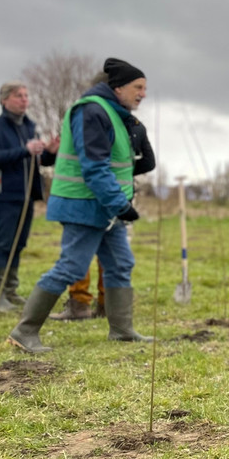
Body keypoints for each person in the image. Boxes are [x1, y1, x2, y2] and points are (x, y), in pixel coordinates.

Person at [7, 59, 152, 352]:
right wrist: (120, 204)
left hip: (106, 206)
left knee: (121, 264)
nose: (143, 94)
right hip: (83, 204)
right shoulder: (92, 111)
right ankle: (25, 332)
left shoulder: (115, 114)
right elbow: (95, 168)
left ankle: (122, 330)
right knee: (72, 267)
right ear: (118, 87)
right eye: (138, 87)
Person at [51, 116, 154, 321]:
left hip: (86, 196)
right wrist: (122, 171)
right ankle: (107, 304)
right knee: (113, 255)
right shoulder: (135, 125)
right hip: (122, 196)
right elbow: (148, 162)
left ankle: (79, 303)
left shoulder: (87, 121)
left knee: (81, 251)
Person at [0, 82, 58, 311]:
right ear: (4, 100)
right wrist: (24, 150)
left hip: (27, 195)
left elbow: (37, 161)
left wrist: (49, 153)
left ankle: (10, 290)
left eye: (27, 95)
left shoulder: (31, 126)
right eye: (19, 95)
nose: (24, 99)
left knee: (18, 244)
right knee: (2, 244)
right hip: (3, 195)